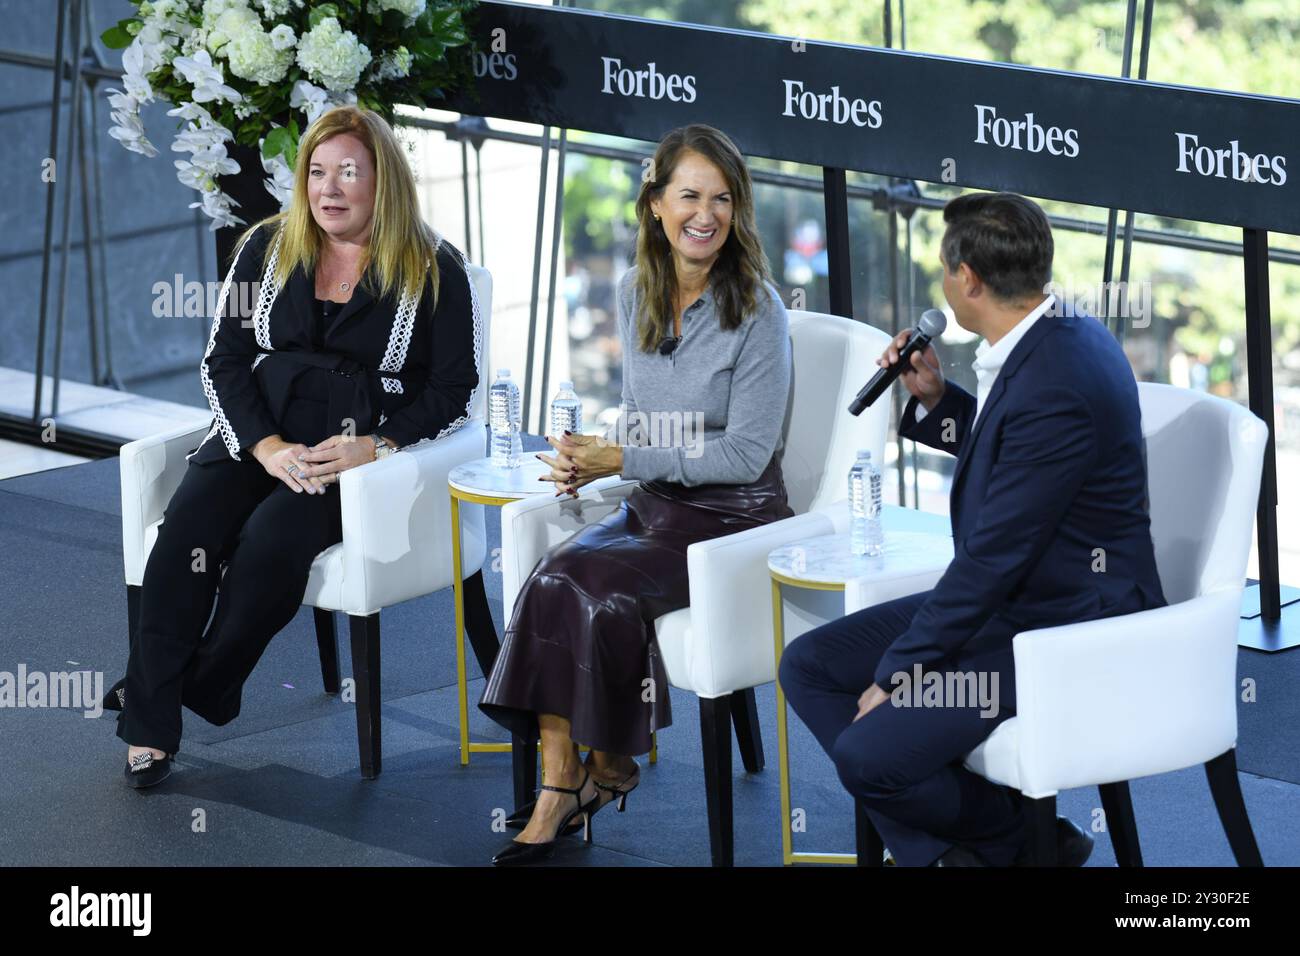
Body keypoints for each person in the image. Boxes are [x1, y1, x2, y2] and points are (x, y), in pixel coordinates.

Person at [779, 192, 1167, 866]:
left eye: (943, 267)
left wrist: (899, 672)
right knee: (808, 665)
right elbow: (1014, 464)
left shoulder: (1057, 381)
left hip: (1065, 626)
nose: (942, 280)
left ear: (968, 279)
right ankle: (1006, 844)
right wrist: (936, 400)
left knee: (868, 757)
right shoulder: (1051, 335)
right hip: (1020, 599)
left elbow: (994, 557)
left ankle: (1009, 845)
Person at [106, 106, 480, 788]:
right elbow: (224, 359)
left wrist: (379, 445)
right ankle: (150, 731)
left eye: (348, 172)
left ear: (384, 181)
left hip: (346, 452)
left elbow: (454, 389)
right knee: (186, 532)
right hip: (260, 431)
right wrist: (265, 446)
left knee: (270, 545)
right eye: (317, 172)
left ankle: (188, 686)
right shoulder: (266, 247)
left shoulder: (434, 268)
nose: (329, 189)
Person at [478, 124, 794, 865]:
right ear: (656, 204)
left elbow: (746, 455)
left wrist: (622, 456)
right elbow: (644, 420)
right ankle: (568, 780)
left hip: (733, 519)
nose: (706, 215)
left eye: (722, 199)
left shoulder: (759, 310)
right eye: (689, 196)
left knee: (595, 587)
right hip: (655, 505)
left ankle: (603, 770)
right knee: (551, 575)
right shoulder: (633, 291)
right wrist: (594, 460)